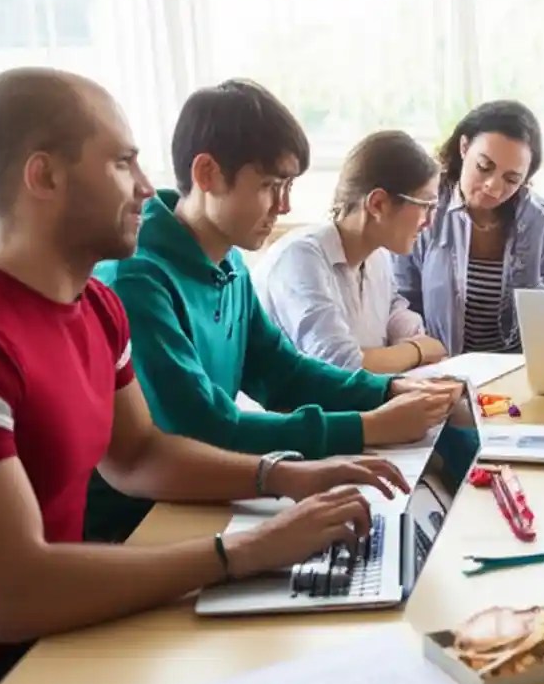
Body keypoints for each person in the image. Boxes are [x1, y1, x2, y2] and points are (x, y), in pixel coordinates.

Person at [0, 67, 410, 684]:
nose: (145, 187)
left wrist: (286, 474)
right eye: (121, 164)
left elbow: (139, 454)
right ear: (44, 177)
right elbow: (10, 593)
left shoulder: (95, 307)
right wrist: (243, 551)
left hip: (63, 630)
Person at [89, 80, 455, 543]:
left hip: (204, 501)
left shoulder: (229, 263)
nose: (283, 206)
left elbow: (282, 372)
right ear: (207, 174)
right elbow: (205, 426)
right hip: (138, 528)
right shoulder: (137, 279)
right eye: (270, 185)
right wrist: (364, 426)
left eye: (288, 186)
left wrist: (388, 390)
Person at [253, 131, 448, 374]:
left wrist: (413, 336)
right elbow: (341, 366)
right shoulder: (300, 259)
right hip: (301, 409)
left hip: (357, 406)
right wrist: (418, 351)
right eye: (425, 206)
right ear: (377, 203)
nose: (429, 222)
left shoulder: (378, 256)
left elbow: (393, 312)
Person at [392, 100, 544, 355]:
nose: (493, 187)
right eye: (484, 167)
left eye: (512, 179)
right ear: (464, 147)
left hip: (516, 369)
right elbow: (403, 304)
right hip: (439, 366)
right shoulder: (424, 209)